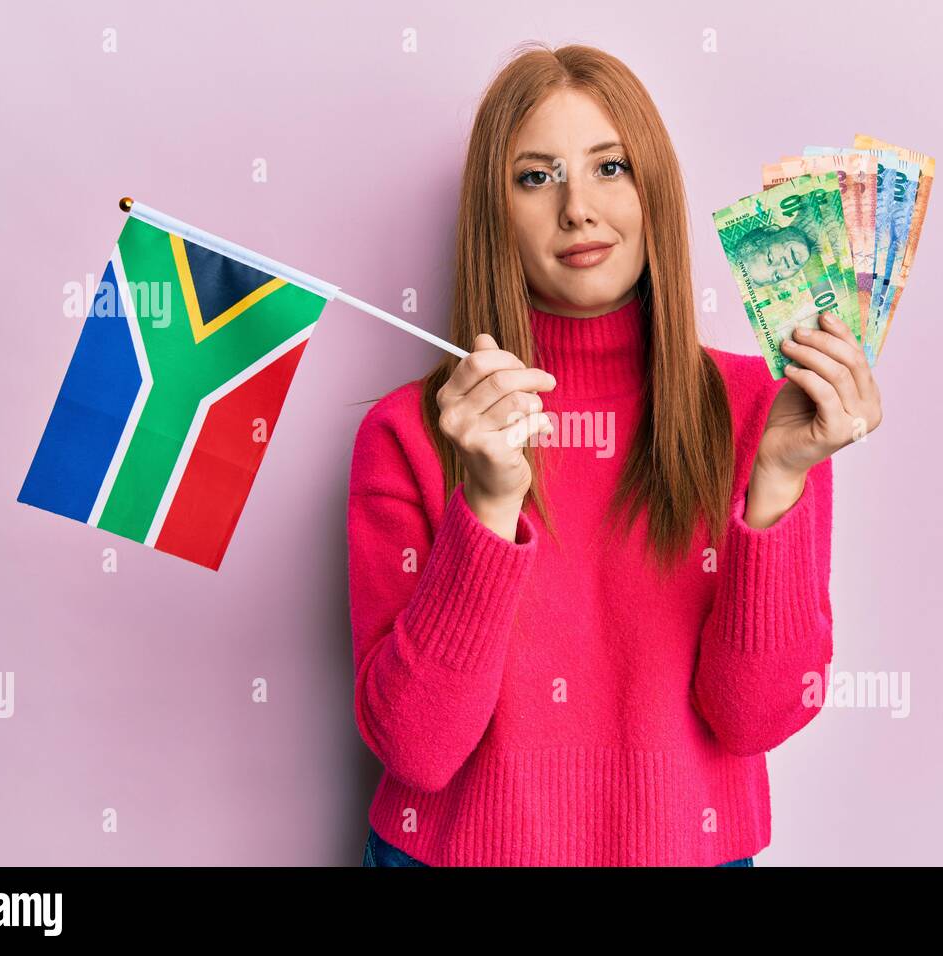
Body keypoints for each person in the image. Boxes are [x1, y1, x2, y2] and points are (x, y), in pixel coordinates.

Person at [349, 41, 883, 867]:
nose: (577, 210)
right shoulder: (412, 433)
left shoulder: (763, 414)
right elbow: (417, 750)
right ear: (496, 215)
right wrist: (488, 507)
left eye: (610, 168)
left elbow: (756, 720)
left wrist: (778, 482)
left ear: (654, 191)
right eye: (536, 177)